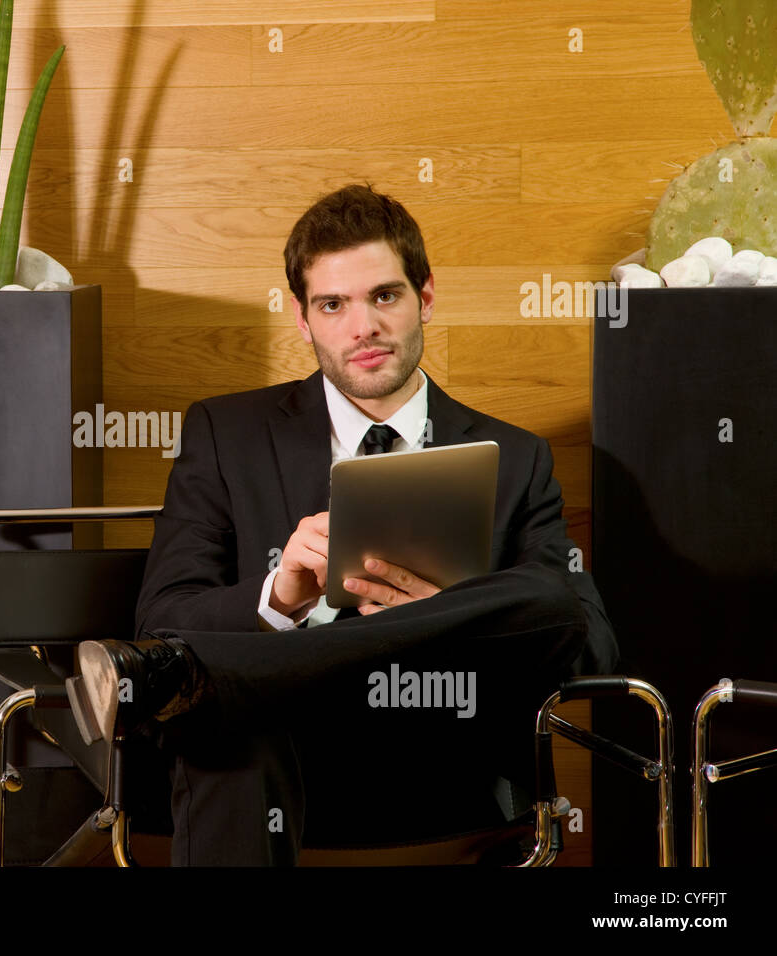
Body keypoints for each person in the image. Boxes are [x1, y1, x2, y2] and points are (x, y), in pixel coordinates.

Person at [65, 184, 620, 865]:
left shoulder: (517, 455)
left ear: (426, 297)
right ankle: (241, 677)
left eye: (385, 296)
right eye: (334, 305)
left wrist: (452, 612)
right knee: (236, 734)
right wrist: (282, 594)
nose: (364, 327)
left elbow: (586, 639)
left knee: (554, 597)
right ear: (302, 320)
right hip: (282, 747)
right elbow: (165, 611)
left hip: (441, 739)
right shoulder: (226, 433)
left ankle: (192, 674)